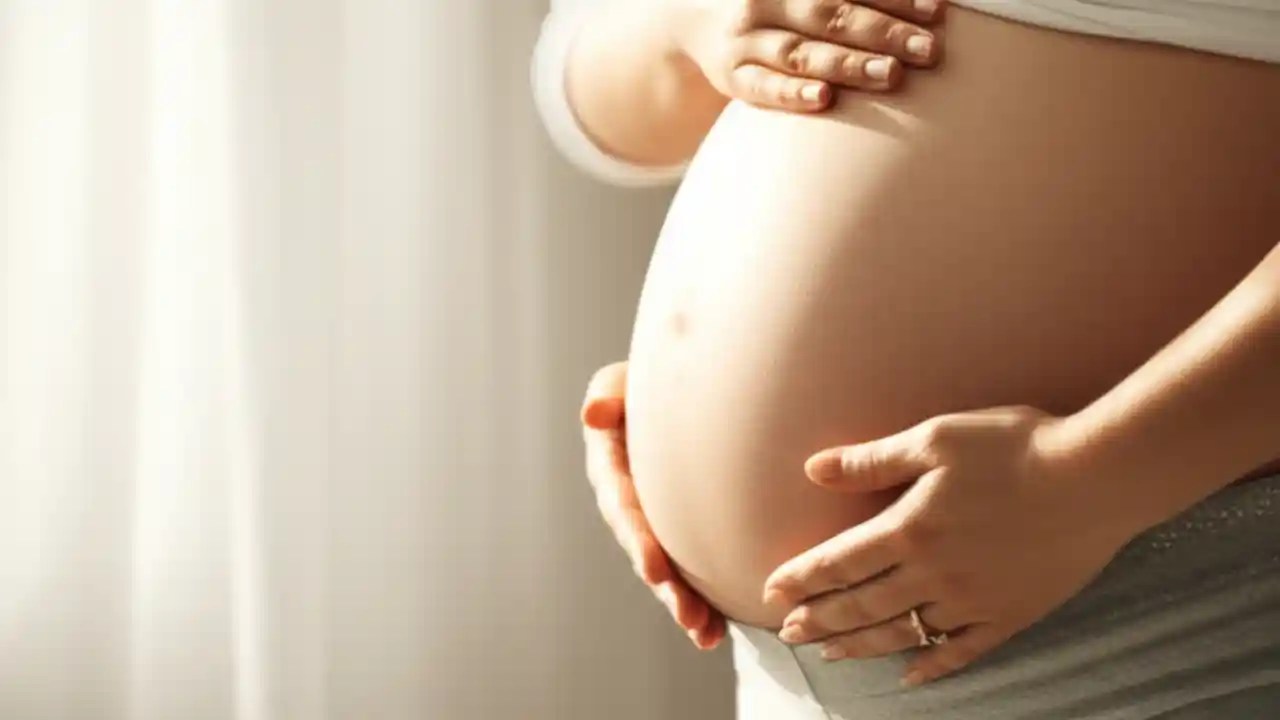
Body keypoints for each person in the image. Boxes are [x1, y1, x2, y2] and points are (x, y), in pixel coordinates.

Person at [533, 1, 1280, 716]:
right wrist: (688, 20)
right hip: (798, 666)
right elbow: (591, 85)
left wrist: (1103, 477)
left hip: (1167, 602)